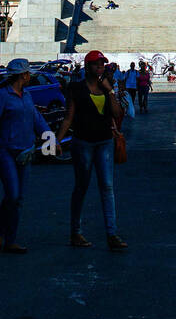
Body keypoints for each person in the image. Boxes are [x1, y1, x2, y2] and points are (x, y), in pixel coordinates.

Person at [54, 50, 128, 251]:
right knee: (81, 187)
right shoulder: (76, 88)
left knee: (108, 187)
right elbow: (69, 117)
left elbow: (117, 113)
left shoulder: (106, 88)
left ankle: (112, 234)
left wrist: (110, 90)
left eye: (102, 64)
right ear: (87, 67)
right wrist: (56, 140)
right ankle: (75, 232)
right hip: (83, 142)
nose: (100, 67)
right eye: (96, 64)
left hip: (104, 142)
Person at [0, 58, 49, 255]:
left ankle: (9, 239)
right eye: (28, 74)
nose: (29, 77)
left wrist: (51, 139)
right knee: (13, 194)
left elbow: (37, 119)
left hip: (25, 150)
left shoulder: (26, 95)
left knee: (17, 198)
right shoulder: (2, 95)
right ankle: (2, 235)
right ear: (23, 75)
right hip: (5, 150)